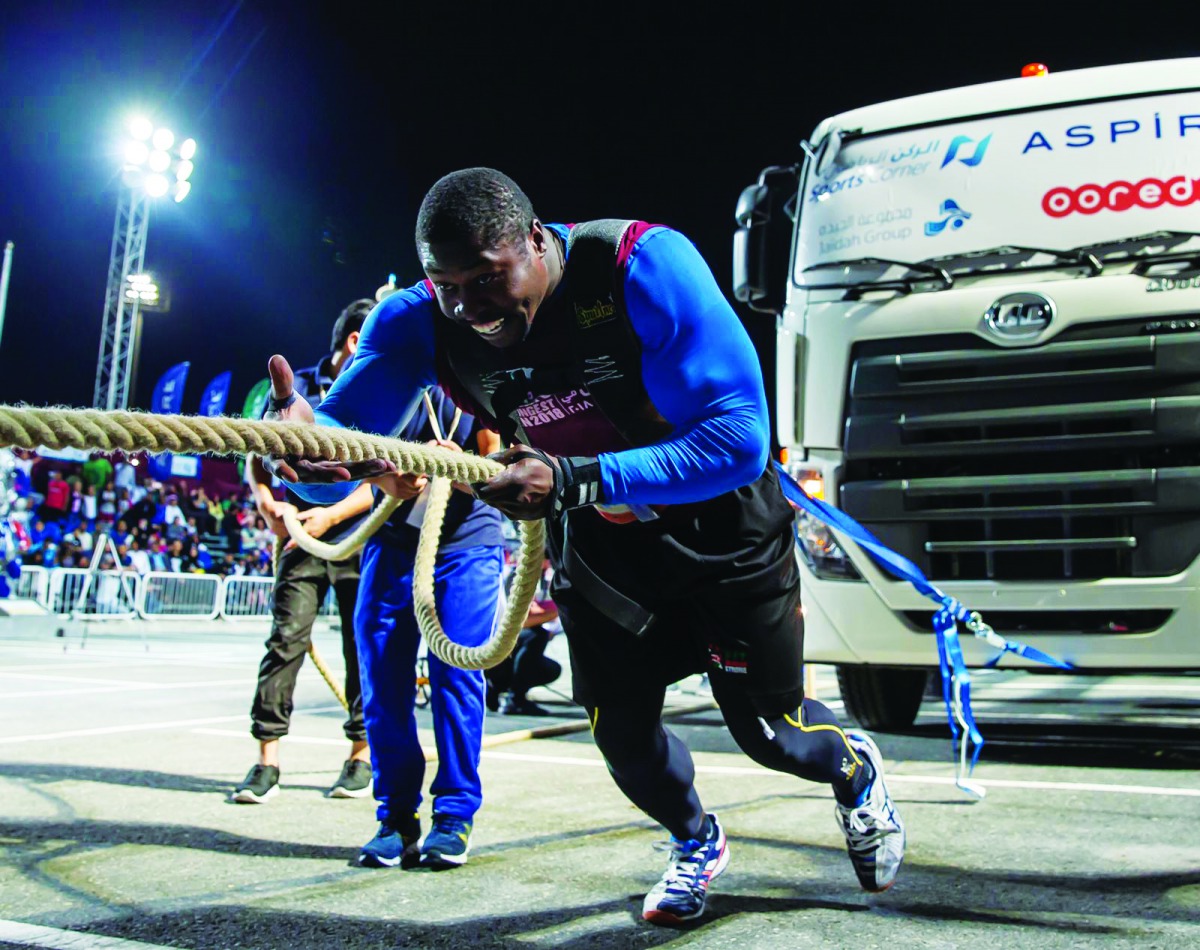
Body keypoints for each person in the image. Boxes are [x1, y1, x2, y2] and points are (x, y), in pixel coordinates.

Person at [264, 168, 905, 924]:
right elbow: (334, 448)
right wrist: (306, 453)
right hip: (604, 547)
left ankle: (856, 771)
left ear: (535, 241)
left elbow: (739, 441)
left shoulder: (641, 266)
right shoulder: (414, 322)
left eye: (485, 277)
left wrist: (573, 478)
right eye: (447, 284)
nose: (467, 306)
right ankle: (696, 840)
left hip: (721, 532)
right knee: (623, 737)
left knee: (774, 735)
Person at [231, 299, 377, 805]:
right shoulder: (295, 390)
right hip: (297, 535)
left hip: (356, 535)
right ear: (356, 341)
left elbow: (381, 479)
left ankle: (361, 754)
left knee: (361, 646)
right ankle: (266, 761)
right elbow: (256, 456)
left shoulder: (377, 397)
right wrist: (267, 502)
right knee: (285, 639)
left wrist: (331, 515)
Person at [354, 384, 505, 870]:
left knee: (457, 672)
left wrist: (463, 469)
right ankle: (395, 816)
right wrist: (385, 480)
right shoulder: (382, 369)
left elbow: (503, 457)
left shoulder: (479, 362)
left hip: (468, 540)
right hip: (393, 537)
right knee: (380, 679)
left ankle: (455, 813)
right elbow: (349, 451)